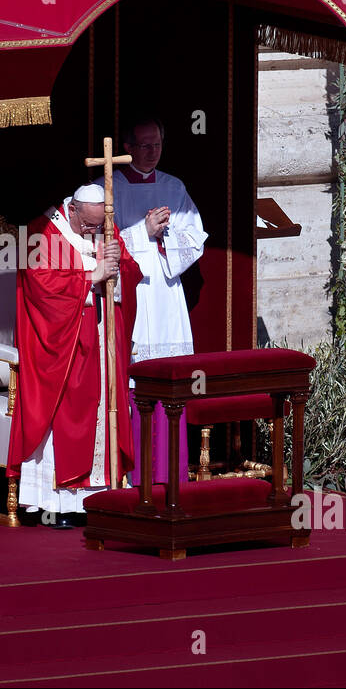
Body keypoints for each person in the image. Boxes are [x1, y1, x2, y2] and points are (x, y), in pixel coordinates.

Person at [7, 184, 140, 527]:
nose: (94, 232)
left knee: (103, 407)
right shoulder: (41, 231)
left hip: (102, 338)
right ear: (74, 210)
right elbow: (40, 287)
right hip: (62, 348)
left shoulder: (105, 228)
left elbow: (129, 269)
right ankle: (60, 503)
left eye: (99, 226)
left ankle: (100, 494)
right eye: (89, 225)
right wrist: (90, 277)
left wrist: (118, 267)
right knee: (68, 412)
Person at [96, 115, 207, 485]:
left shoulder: (175, 187)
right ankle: (132, 472)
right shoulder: (105, 188)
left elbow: (196, 239)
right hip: (130, 292)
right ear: (127, 148)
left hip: (166, 291)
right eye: (144, 146)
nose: (152, 152)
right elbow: (98, 246)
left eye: (157, 145)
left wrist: (165, 237)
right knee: (133, 382)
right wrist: (143, 231)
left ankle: (170, 473)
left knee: (169, 380)